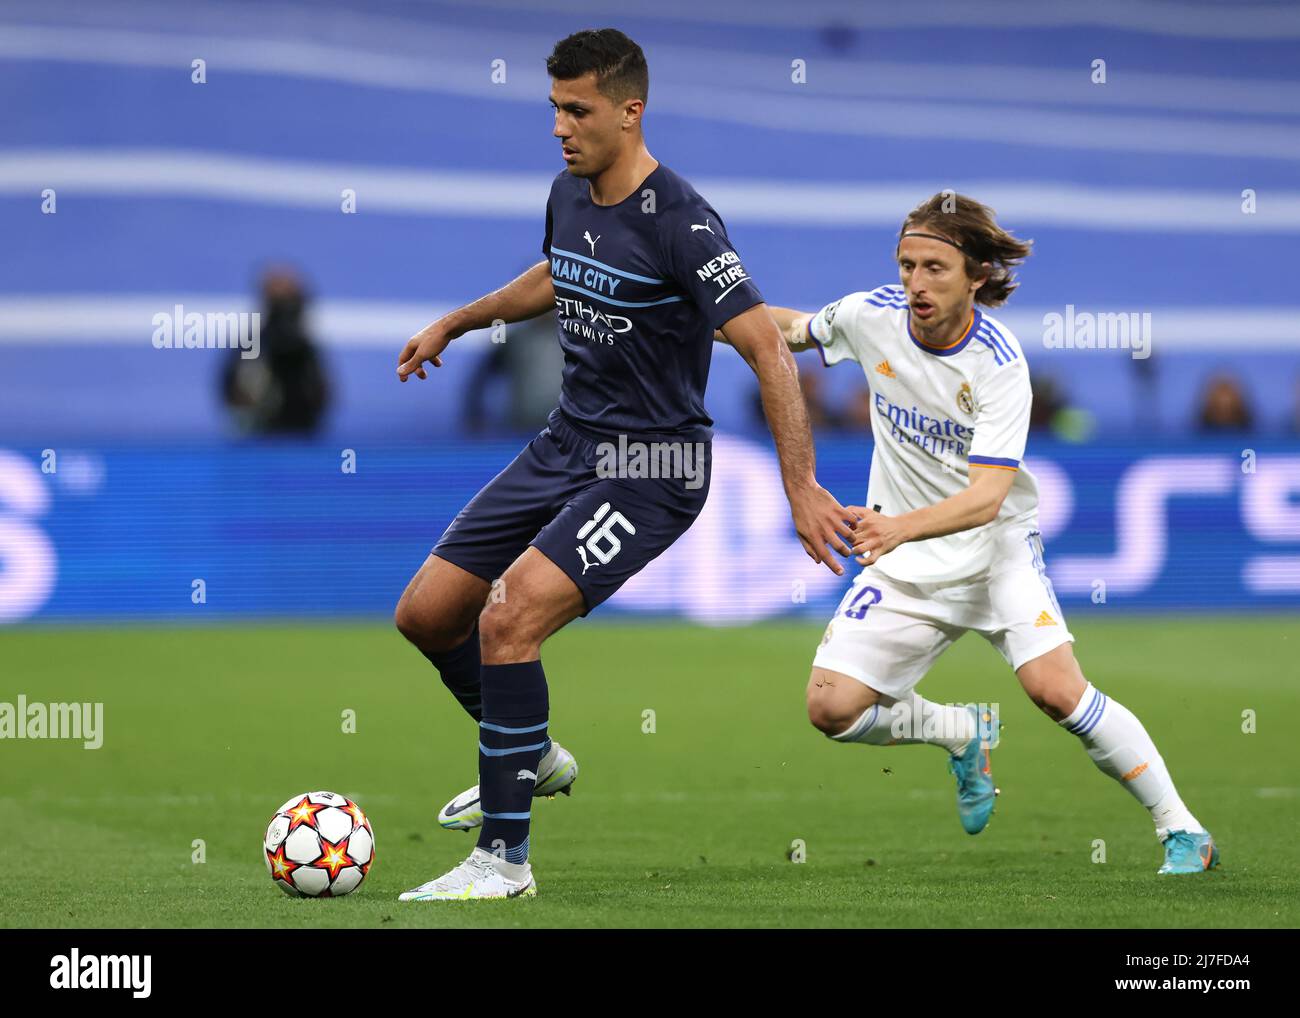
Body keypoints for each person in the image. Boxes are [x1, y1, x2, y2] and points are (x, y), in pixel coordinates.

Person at [391, 28, 854, 900]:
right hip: (569, 442)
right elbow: (557, 275)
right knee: (425, 616)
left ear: (630, 110)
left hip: (652, 464)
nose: (561, 127)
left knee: (507, 620)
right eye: (555, 109)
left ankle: (503, 862)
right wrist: (459, 319)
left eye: (579, 110)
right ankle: (529, 750)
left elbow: (767, 349)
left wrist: (802, 489)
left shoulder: (684, 221)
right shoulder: (569, 193)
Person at [743, 193, 1218, 875]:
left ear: (976, 278)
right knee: (831, 708)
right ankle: (959, 731)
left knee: (1058, 691)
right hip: (907, 562)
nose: (915, 284)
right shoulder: (872, 316)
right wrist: (700, 311)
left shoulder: (998, 365)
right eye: (907, 265)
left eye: (935, 268)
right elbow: (788, 331)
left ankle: (1181, 829)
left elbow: (989, 497)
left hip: (993, 555)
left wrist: (899, 527)